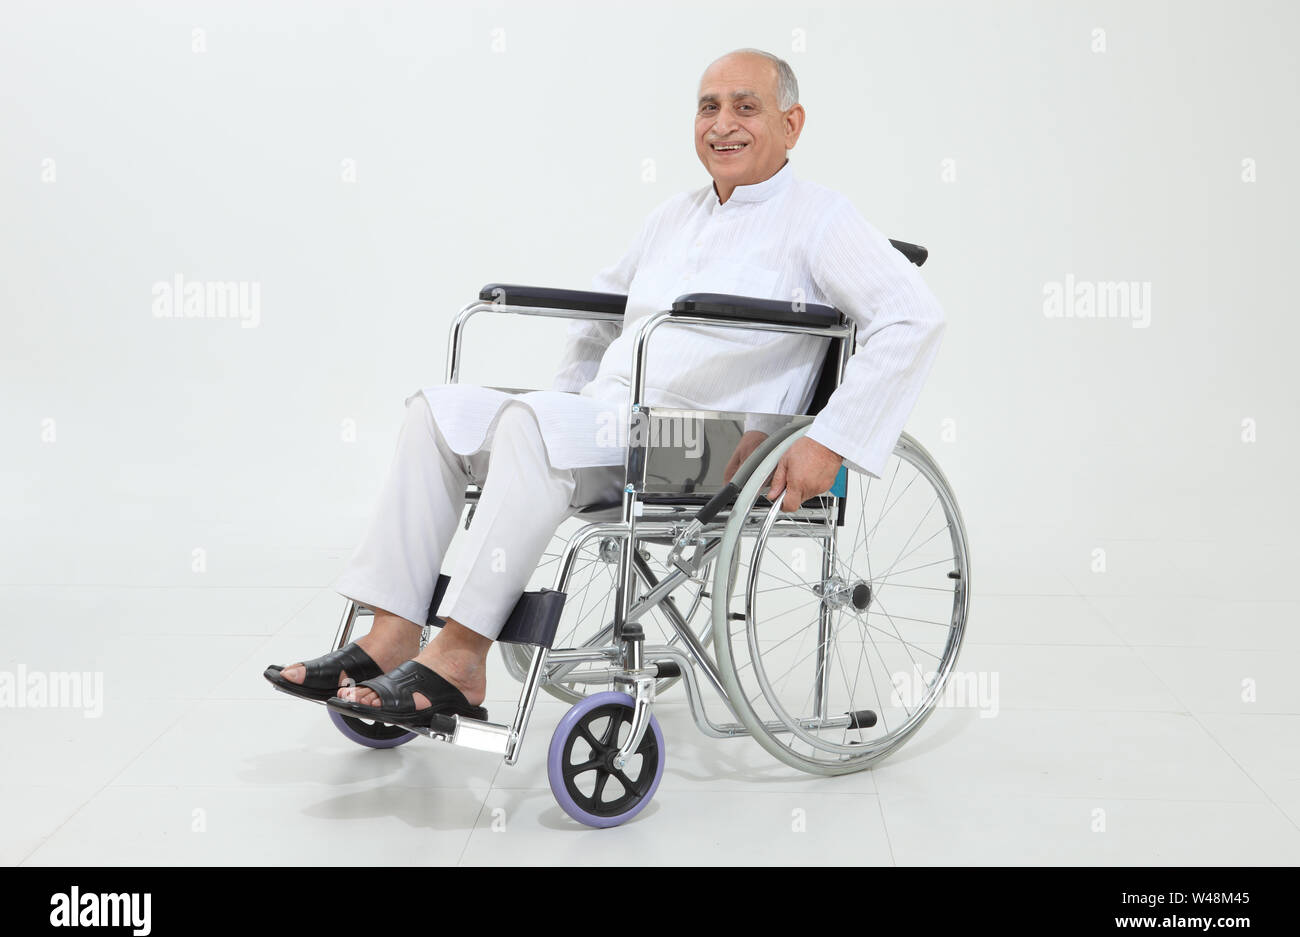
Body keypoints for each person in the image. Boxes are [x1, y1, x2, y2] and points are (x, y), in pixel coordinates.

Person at [264, 47, 946, 729]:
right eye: (708, 107)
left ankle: (461, 658)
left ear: (791, 124)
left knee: (534, 426)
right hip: (619, 424)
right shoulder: (672, 216)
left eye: (746, 107)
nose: (722, 124)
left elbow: (913, 316)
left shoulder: (822, 218)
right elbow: (599, 314)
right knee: (436, 414)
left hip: (716, 444)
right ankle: (390, 634)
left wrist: (829, 440)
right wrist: (560, 405)